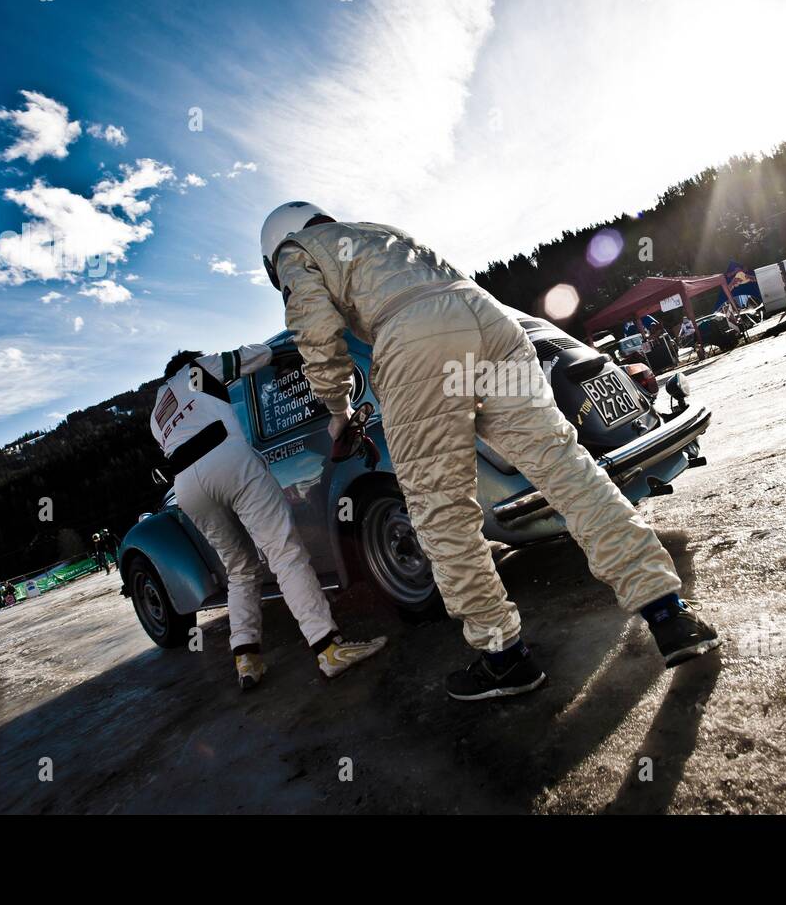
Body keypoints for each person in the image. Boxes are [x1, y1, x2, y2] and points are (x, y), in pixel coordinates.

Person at [260, 201, 720, 701]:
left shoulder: (296, 249)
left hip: (415, 340)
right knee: (567, 469)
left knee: (443, 513)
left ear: (277, 245)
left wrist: (337, 408)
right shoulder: (380, 231)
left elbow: (314, 330)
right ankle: (669, 614)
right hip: (493, 322)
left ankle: (504, 659)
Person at [152, 344, 387, 690]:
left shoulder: (157, 410)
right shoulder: (197, 369)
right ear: (188, 362)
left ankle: (247, 659)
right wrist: (276, 354)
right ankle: (328, 647)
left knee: (238, 570)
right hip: (227, 459)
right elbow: (250, 356)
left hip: (186, 485)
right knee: (284, 553)